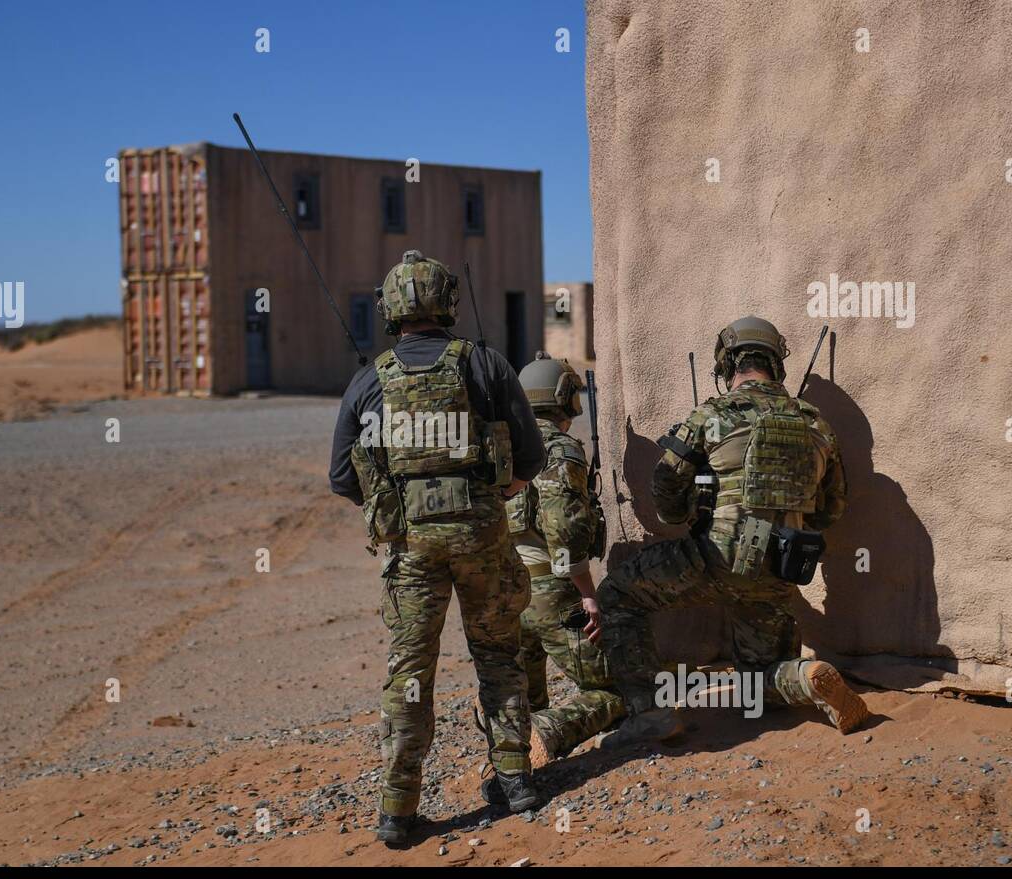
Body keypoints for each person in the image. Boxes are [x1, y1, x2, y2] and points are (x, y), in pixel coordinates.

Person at [329, 250, 547, 846]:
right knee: (499, 655)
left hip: (410, 552)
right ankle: (517, 779)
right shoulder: (487, 365)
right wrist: (489, 496)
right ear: (446, 303)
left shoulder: (368, 380)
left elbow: (343, 480)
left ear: (392, 309)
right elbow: (531, 458)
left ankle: (398, 810)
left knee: (410, 674)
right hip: (483, 539)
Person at [596, 316, 867, 744]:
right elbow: (830, 510)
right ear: (776, 362)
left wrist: (686, 512)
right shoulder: (818, 425)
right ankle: (806, 676)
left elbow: (666, 485)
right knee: (757, 680)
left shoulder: (712, 415)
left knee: (616, 594)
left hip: (712, 562)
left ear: (728, 364)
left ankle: (649, 713)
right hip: (780, 570)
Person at [484, 352, 623, 802]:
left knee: (523, 689)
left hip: (501, 592)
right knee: (614, 691)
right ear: (564, 400)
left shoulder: (500, 447)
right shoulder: (558, 450)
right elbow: (564, 531)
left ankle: (513, 752)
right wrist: (587, 593)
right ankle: (544, 732)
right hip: (548, 590)